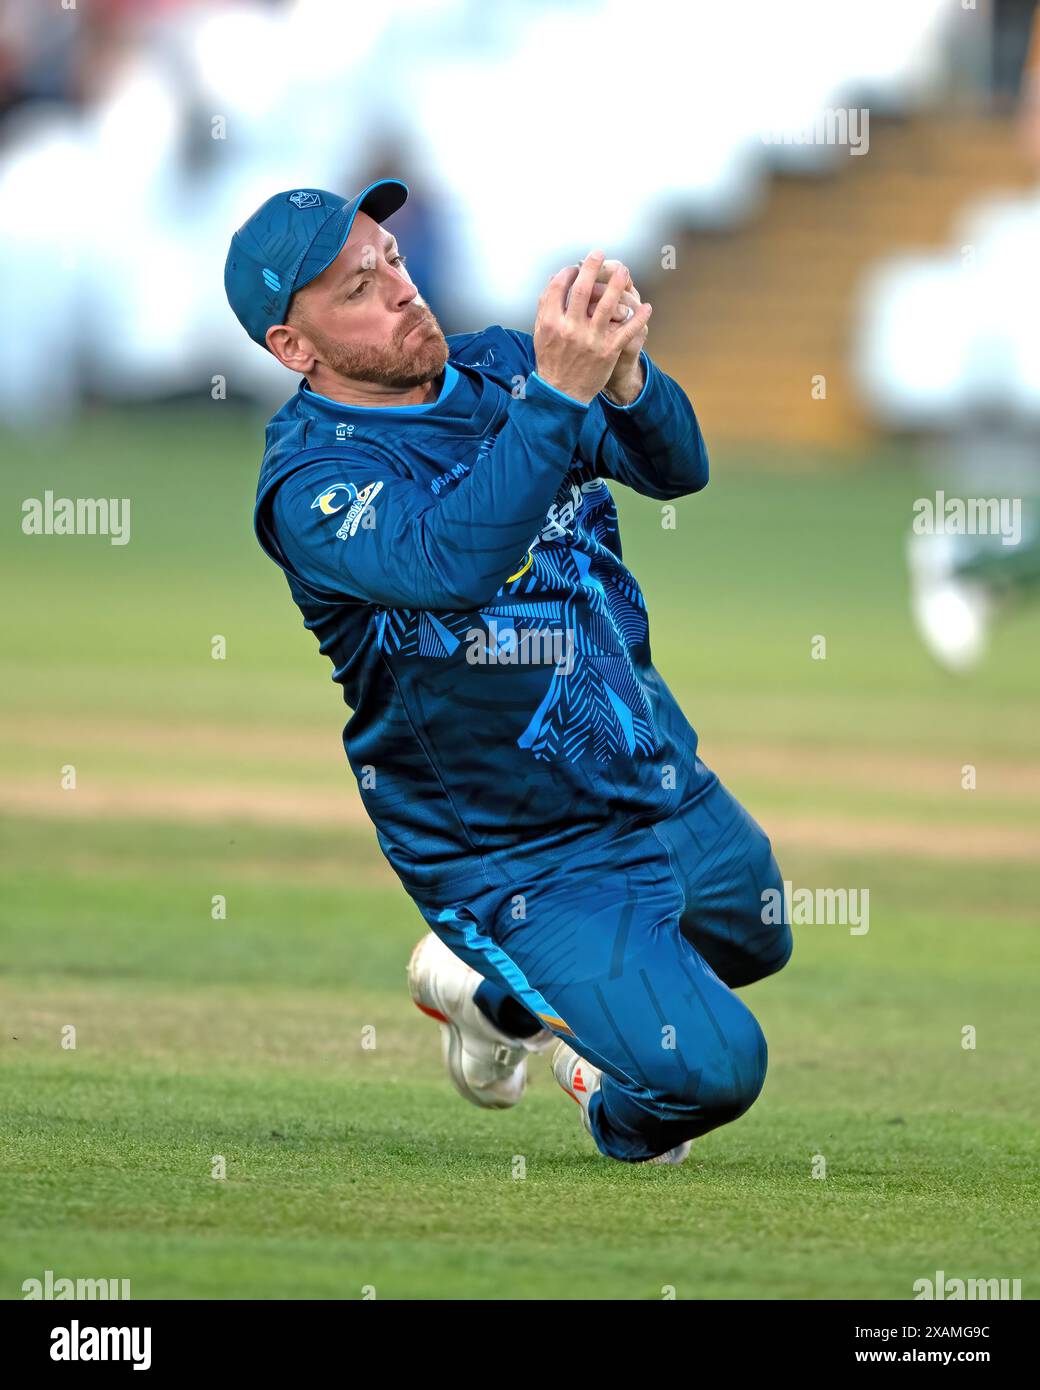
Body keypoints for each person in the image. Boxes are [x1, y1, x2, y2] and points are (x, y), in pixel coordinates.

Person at [224, 180, 792, 1166]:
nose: (400, 289)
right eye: (356, 287)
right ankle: (603, 1098)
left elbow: (676, 466)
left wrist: (624, 380)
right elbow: (451, 561)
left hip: (635, 759)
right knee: (711, 1073)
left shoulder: (499, 366)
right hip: (515, 844)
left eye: (390, 259)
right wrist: (559, 394)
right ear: (293, 349)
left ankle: (488, 995)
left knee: (756, 932)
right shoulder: (311, 483)